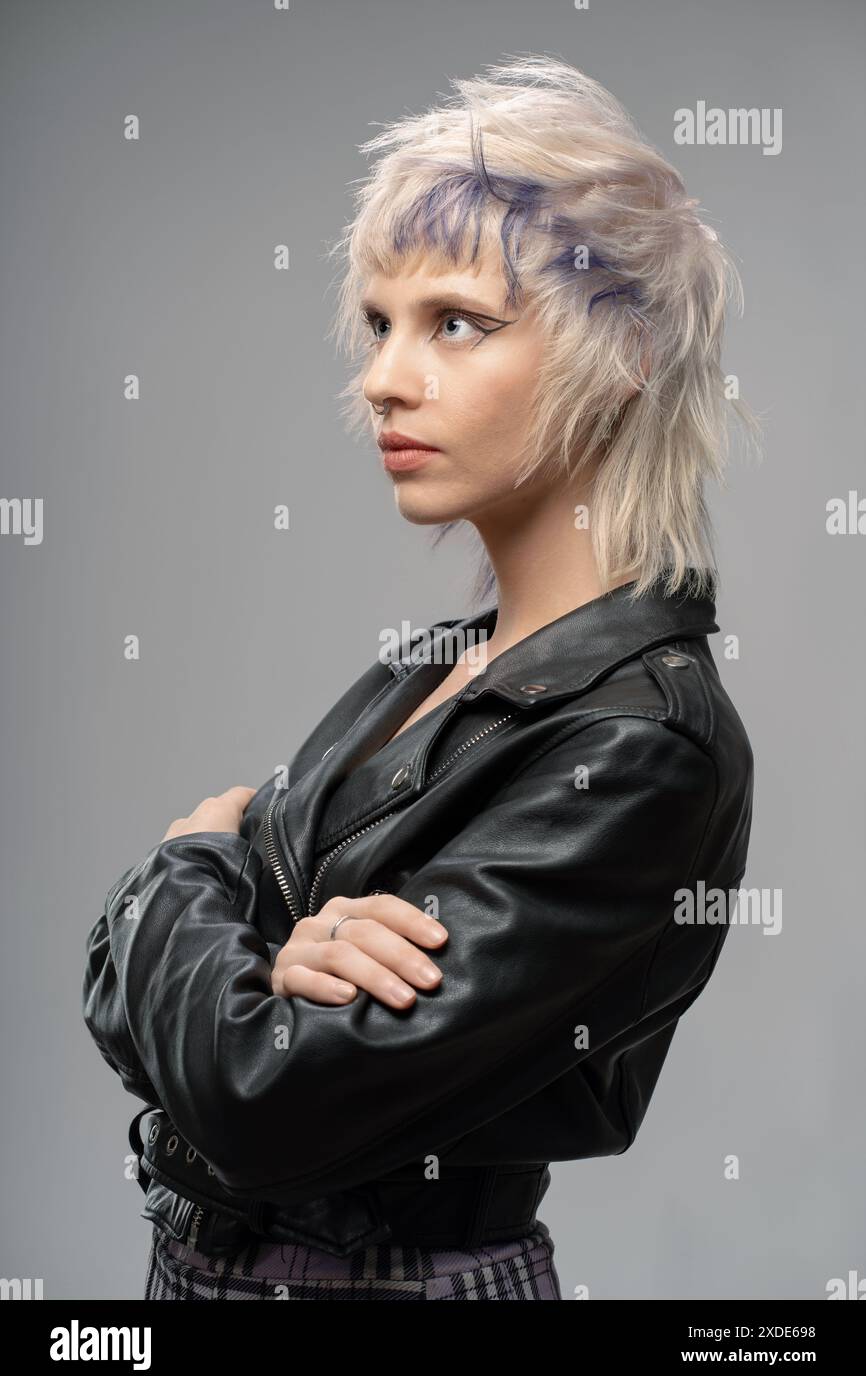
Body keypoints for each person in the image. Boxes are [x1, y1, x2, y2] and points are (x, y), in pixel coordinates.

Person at [83, 54, 759, 1301]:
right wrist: (251, 949)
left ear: (622, 356)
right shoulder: (427, 668)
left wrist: (184, 868)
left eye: (455, 322)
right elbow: (127, 991)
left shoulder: (644, 744)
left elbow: (258, 1096)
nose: (384, 376)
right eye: (380, 324)